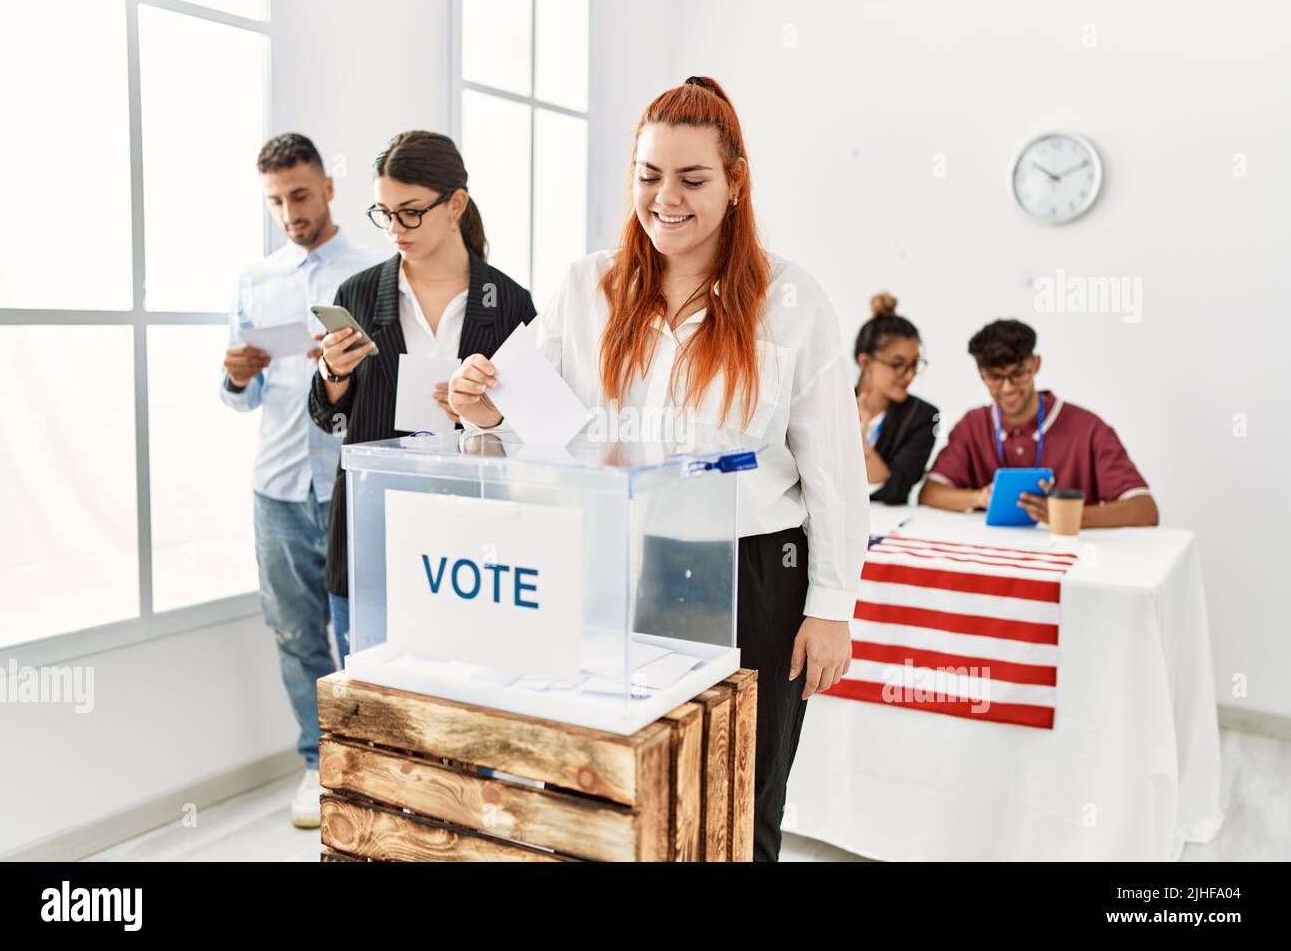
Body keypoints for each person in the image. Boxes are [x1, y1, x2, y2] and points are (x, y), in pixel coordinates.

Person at [448, 76, 868, 862]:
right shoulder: (587, 288)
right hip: (623, 566)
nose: (665, 198)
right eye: (648, 175)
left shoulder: (791, 301)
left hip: (755, 579)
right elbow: (551, 432)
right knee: (623, 786)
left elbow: (835, 472)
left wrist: (832, 606)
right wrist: (490, 412)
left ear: (736, 182)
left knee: (739, 798)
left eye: (692, 178)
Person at [308, 130, 536, 654]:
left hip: (475, 543)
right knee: (370, 709)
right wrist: (333, 375)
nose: (394, 228)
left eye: (409, 212)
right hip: (373, 529)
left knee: (467, 697)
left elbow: (537, 432)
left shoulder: (507, 303)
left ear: (456, 203)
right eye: (383, 213)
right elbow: (327, 417)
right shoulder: (359, 294)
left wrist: (478, 414)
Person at [220, 133, 385, 827]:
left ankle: (372, 761)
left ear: (328, 187)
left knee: (367, 635)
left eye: (300, 195)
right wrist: (235, 377)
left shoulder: (375, 271)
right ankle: (321, 765)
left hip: (353, 481)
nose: (290, 212)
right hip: (280, 488)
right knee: (295, 633)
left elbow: (393, 381)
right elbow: (241, 398)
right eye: (276, 201)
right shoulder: (257, 280)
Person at [919, 318, 1159, 526]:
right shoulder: (972, 425)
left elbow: (1144, 509)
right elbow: (930, 494)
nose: (1007, 387)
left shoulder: (1088, 428)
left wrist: (1065, 516)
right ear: (981, 373)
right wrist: (979, 498)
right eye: (995, 377)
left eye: (1018, 373)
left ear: (1035, 365)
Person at [855, 291, 939, 505]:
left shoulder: (924, 417)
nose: (910, 375)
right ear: (865, 363)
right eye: (897, 364)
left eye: (914, 364)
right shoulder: (830, 404)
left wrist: (860, 440)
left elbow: (895, 490)